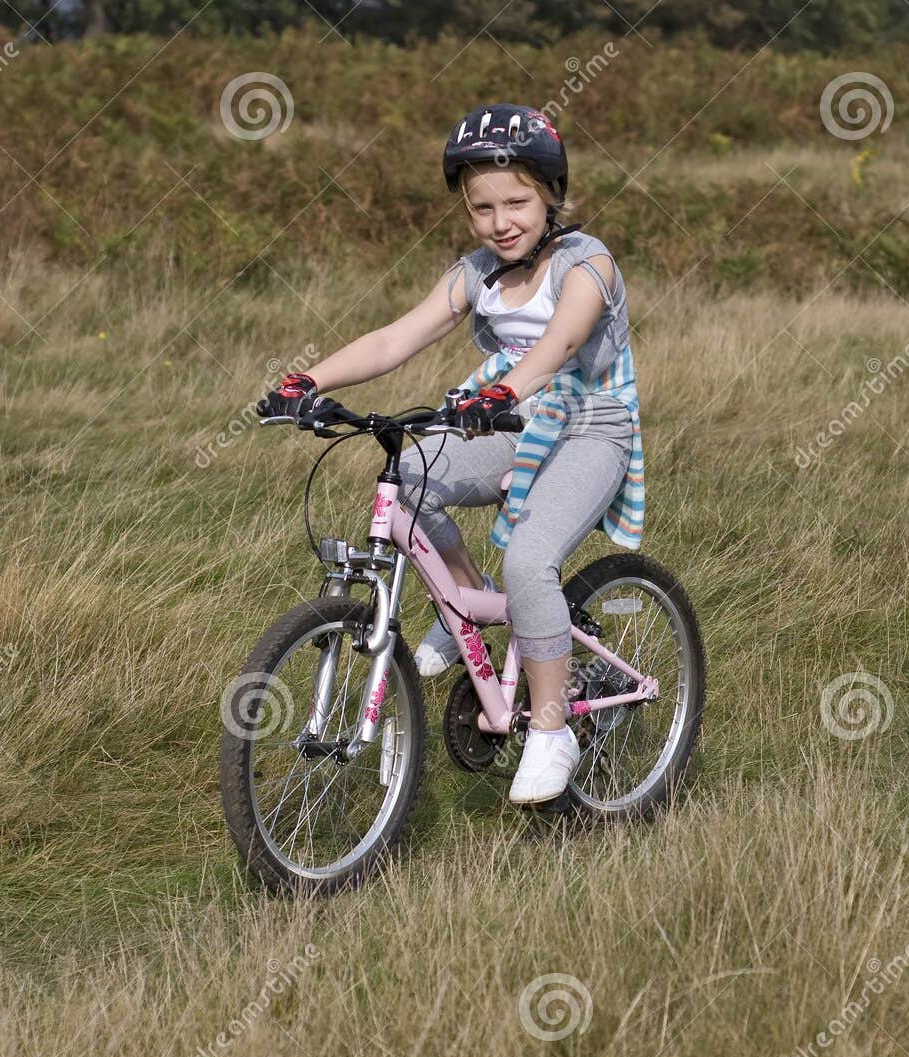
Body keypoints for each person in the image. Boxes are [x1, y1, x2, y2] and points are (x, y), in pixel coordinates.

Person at [256, 103, 644, 805]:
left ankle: (551, 728)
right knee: (406, 474)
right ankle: (460, 605)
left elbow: (559, 344)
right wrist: (309, 379)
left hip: (588, 425)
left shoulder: (589, 264)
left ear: (552, 195)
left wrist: (506, 390)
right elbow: (394, 339)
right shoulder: (477, 273)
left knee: (530, 558)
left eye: (518, 202)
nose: (502, 222)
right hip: (507, 420)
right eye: (482, 207)